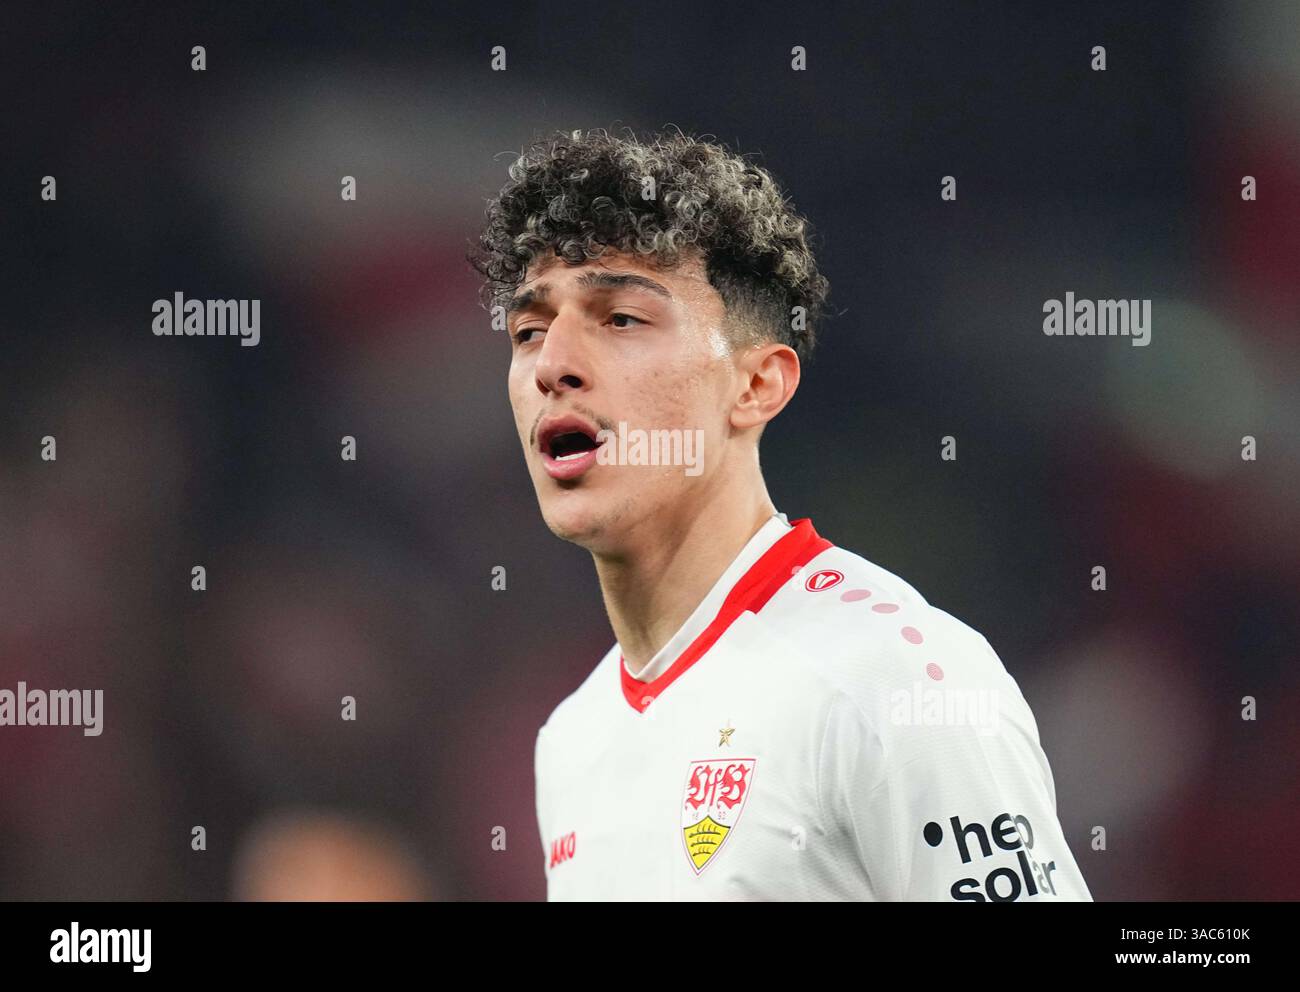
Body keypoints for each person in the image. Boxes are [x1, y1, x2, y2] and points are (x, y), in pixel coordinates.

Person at [469, 127, 1092, 901]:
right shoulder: (572, 739)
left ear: (757, 385)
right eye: (529, 331)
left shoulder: (894, 677)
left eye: (621, 319)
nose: (553, 365)